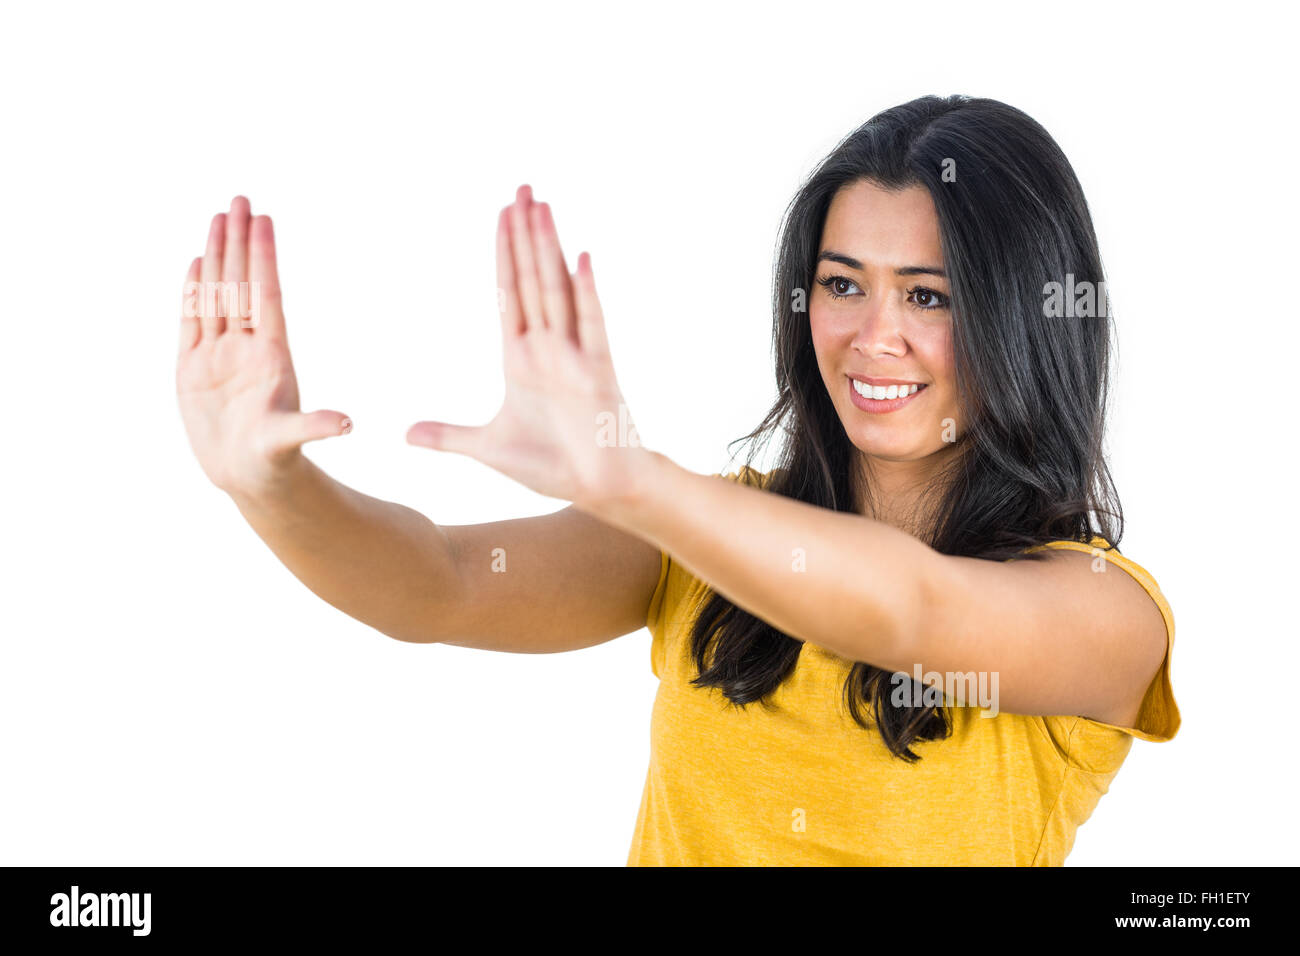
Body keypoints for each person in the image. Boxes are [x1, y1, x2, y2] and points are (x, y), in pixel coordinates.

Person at [175, 93, 1180, 866]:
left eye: (928, 294)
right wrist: (269, 486)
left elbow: (912, 610)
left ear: (1023, 316)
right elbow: (438, 580)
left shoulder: (1102, 613)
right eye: (841, 283)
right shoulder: (707, 535)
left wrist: (635, 481)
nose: (874, 338)